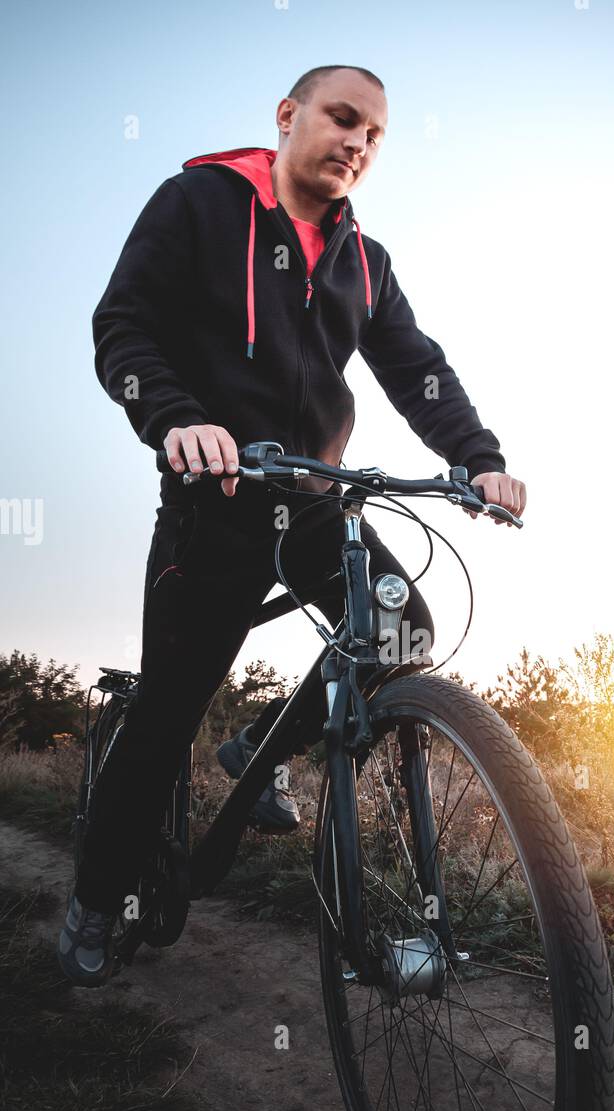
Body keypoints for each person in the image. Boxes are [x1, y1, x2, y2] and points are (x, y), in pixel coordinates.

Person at [60, 64, 527, 987]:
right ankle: (94, 896)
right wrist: (175, 419)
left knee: (404, 631)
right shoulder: (198, 201)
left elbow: (415, 367)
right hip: (217, 502)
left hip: (315, 503)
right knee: (164, 719)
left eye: (375, 135)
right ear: (289, 115)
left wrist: (478, 456)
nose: (358, 142)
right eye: (343, 118)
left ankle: (259, 748)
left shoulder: (366, 260)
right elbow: (123, 325)